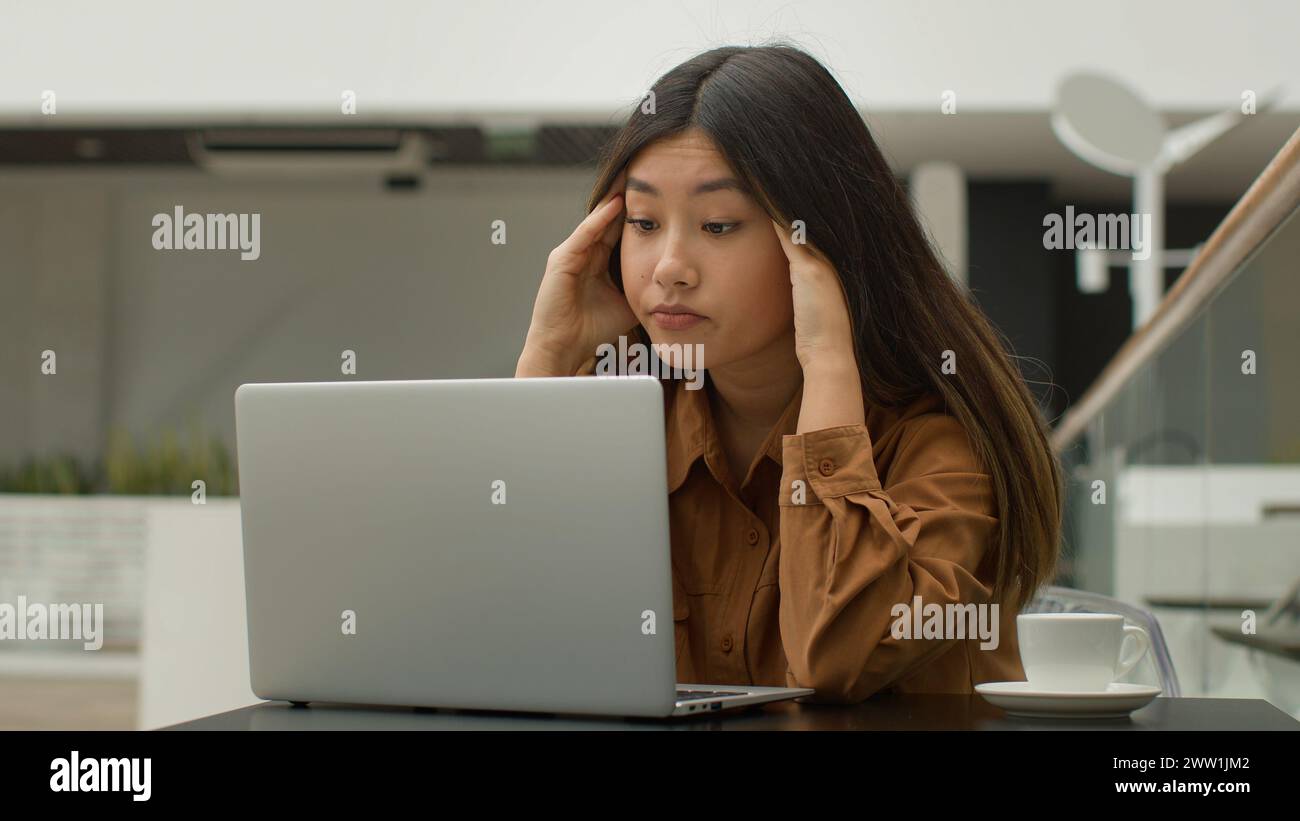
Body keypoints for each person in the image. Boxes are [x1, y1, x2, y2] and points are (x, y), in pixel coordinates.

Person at [516, 44, 1063, 703]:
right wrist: (546, 359)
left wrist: (829, 360)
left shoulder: (939, 445)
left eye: (718, 224)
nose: (669, 266)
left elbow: (835, 659)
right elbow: (498, 629)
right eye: (643, 221)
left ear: (818, 242)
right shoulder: (620, 427)